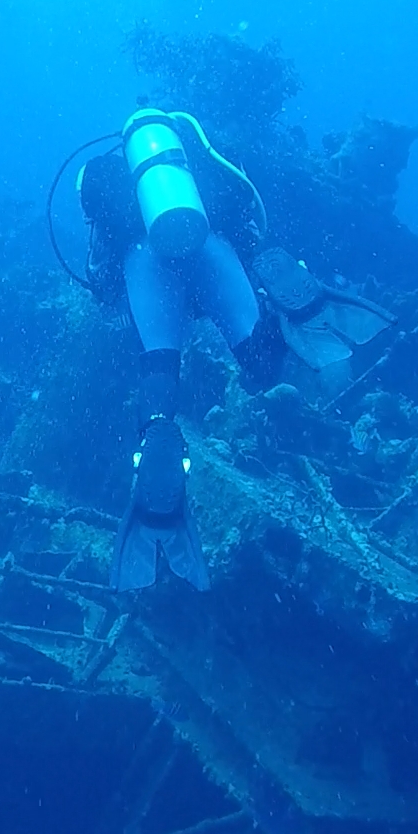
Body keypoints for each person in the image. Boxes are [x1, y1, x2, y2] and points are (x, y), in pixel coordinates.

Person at [77, 108, 281, 592]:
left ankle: (159, 441)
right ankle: (295, 305)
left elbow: (99, 273)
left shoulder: (105, 177)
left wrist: (118, 279)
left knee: (160, 363)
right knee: (260, 364)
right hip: (210, 246)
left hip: (143, 259)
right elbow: (247, 212)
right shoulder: (196, 151)